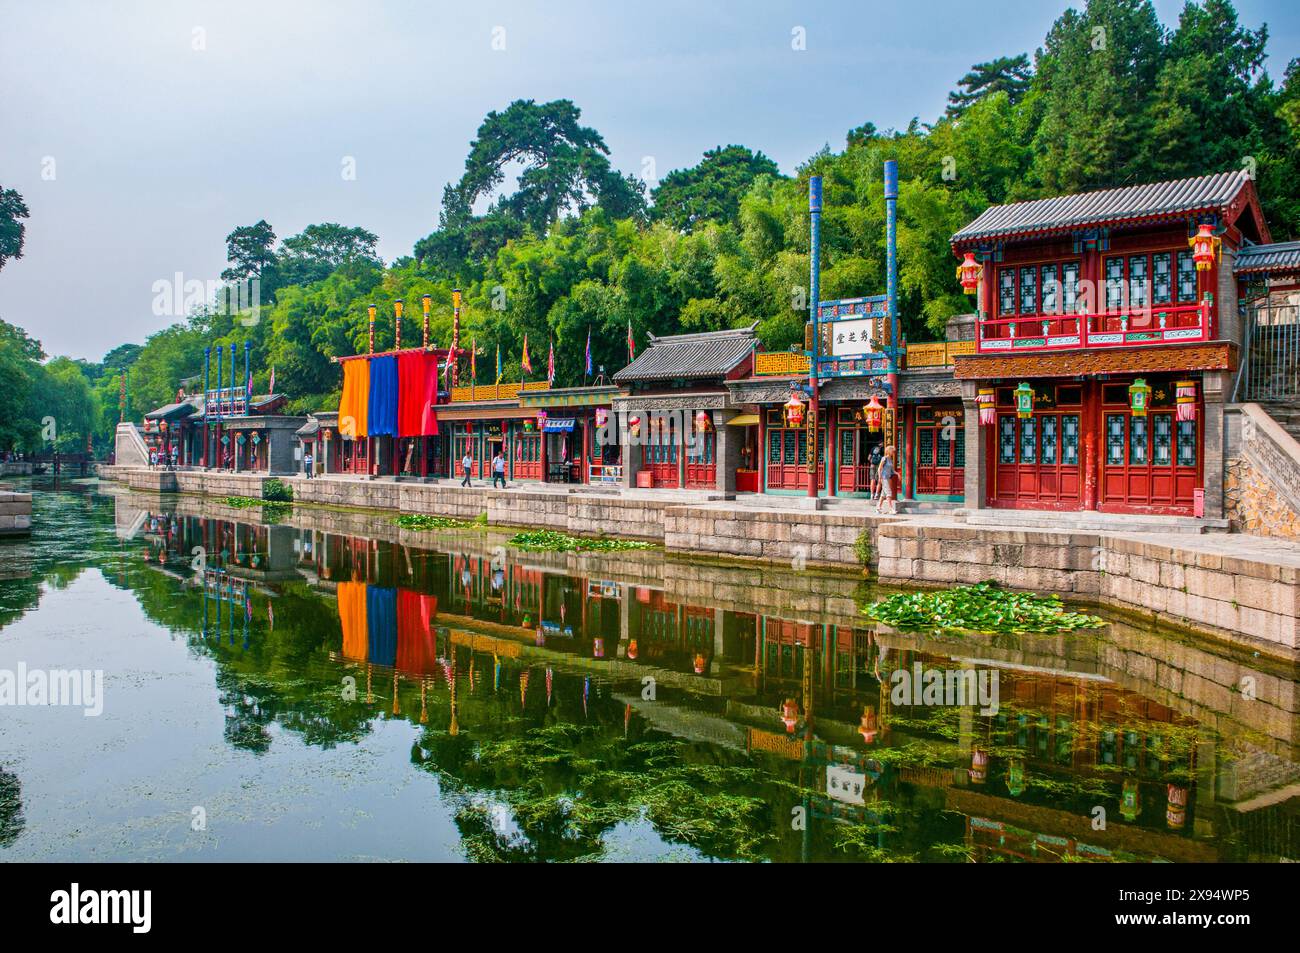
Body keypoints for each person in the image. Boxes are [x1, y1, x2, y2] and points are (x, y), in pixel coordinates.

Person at [876, 446, 897, 515]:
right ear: (889, 451)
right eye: (892, 451)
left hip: (888, 478)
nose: (893, 453)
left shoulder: (891, 459)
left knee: (883, 494)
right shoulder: (884, 458)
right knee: (888, 492)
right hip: (883, 478)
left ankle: (878, 508)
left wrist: (898, 474)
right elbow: (879, 468)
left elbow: (892, 470)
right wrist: (880, 477)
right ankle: (891, 509)